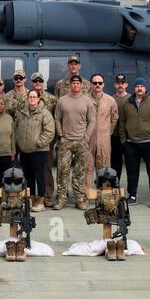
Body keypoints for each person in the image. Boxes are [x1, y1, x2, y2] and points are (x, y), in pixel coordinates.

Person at [117, 78, 150, 205]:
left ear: (145, 88)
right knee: (132, 171)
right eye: (137, 86)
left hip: (148, 143)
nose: (139, 88)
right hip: (131, 143)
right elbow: (121, 122)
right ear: (134, 88)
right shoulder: (127, 103)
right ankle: (132, 196)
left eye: (142, 86)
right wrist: (124, 140)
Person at [53, 76, 94, 210]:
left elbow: (92, 120)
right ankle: (61, 198)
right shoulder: (62, 101)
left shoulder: (87, 101)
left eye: (78, 83)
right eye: (73, 83)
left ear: (81, 85)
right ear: (70, 85)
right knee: (62, 171)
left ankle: (79, 198)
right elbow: (57, 119)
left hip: (81, 141)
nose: (76, 85)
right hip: (66, 142)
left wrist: (86, 137)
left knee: (80, 171)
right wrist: (60, 135)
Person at [14, 89, 55, 209]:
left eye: (34, 97)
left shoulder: (44, 113)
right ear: (27, 99)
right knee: (28, 176)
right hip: (25, 151)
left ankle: (41, 201)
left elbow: (49, 132)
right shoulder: (22, 113)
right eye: (30, 97)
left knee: (39, 175)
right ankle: (31, 198)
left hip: (39, 151)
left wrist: (38, 143)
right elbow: (16, 129)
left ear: (38, 99)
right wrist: (19, 143)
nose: (32, 99)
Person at [86, 74, 119, 197]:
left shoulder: (110, 100)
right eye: (95, 83)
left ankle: (104, 195)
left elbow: (115, 117)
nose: (97, 85)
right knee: (87, 168)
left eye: (100, 83)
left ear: (103, 84)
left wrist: (108, 131)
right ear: (91, 84)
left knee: (104, 167)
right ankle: (88, 195)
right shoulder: (85, 99)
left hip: (104, 138)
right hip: (88, 138)